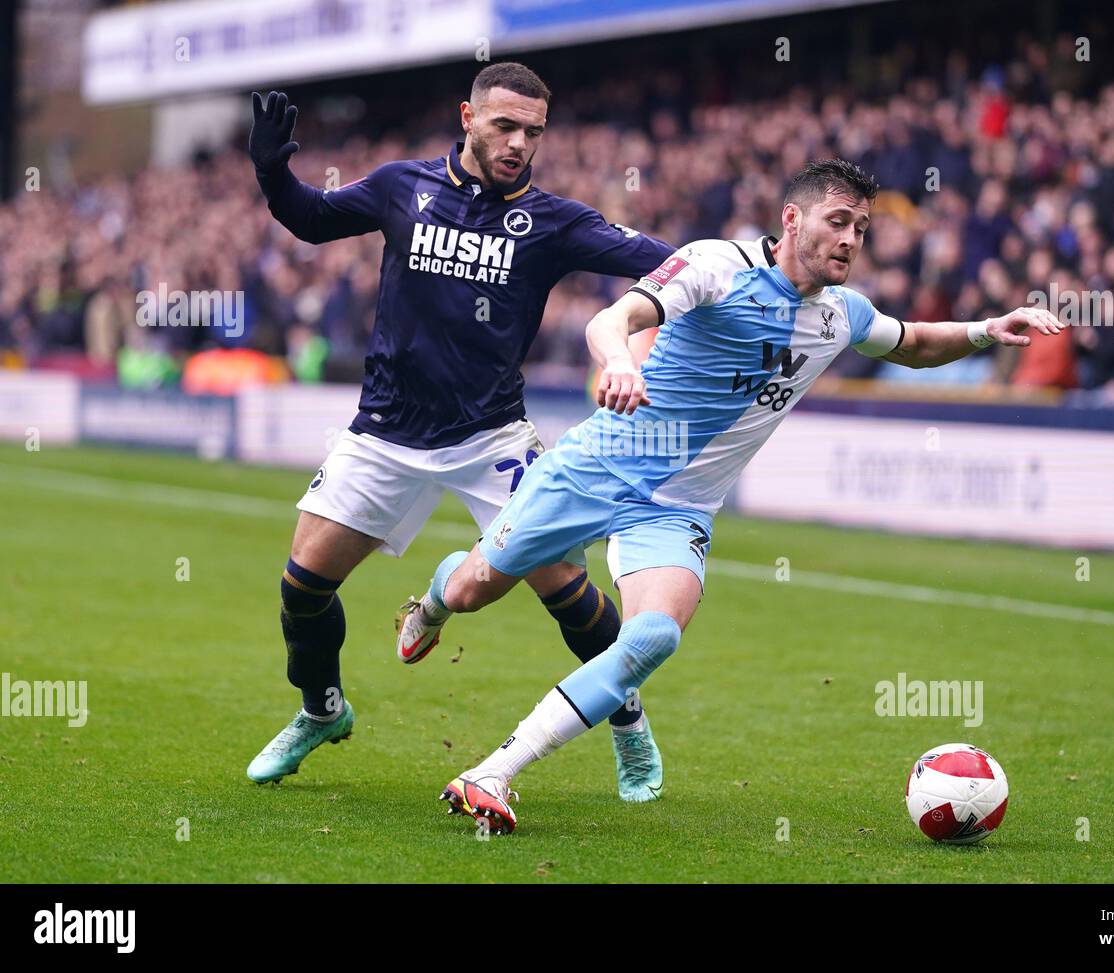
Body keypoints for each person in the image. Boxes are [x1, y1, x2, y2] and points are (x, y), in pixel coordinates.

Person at [402, 159, 1064, 832]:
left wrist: (987, 329)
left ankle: (493, 772)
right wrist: (623, 360)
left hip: (678, 508)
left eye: (862, 229)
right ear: (792, 219)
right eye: (838, 221)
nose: (850, 240)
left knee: (654, 635)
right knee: (472, 588)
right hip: (597, 468)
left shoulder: (840, 314)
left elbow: (915, 343)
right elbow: (614, 317)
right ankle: (432, 600)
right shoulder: (716, 266)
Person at [244, 63, 677, 803]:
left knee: (564, 587)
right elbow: (313, 219)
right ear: (467, 117)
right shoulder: (399, 186)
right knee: (302, 587)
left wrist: (755, 266)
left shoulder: (553, 220)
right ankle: (322, 709)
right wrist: (272, 168)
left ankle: (626, 714)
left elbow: (668, 264)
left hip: (491, 437)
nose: (517, 143)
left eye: (532, 132)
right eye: (504, 125)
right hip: (385, 429)